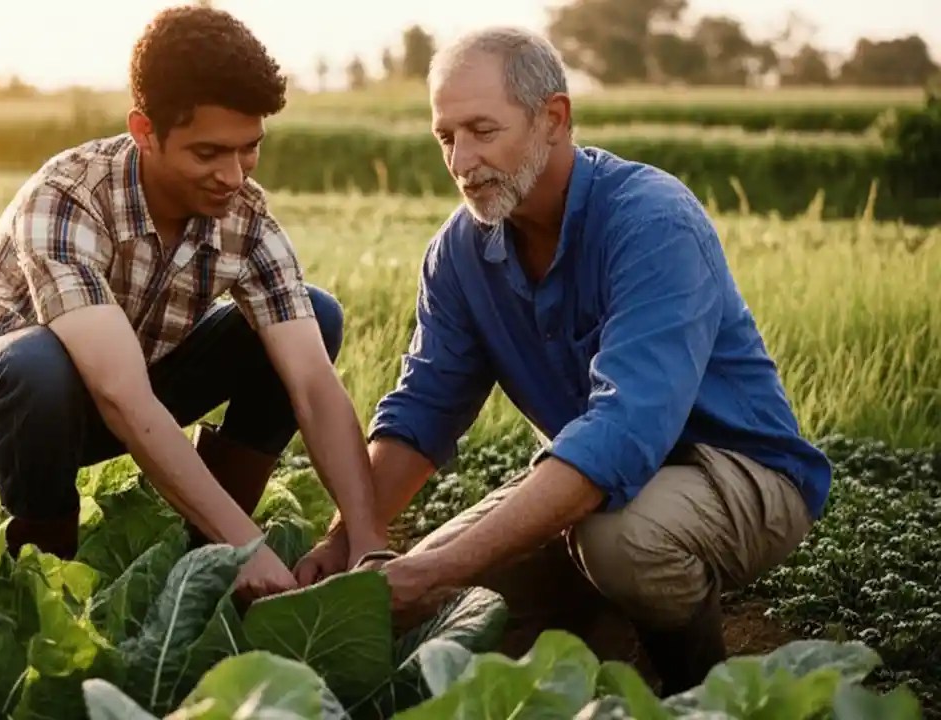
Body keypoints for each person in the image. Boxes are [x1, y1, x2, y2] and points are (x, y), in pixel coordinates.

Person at [292, 26, 832, 695]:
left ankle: (700, 693)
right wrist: (345, 541)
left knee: (620, 544)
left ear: (554, 117)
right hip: (585, 491)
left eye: (483, 131)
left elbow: (621, 432)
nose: (462, 161)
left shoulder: (650, 220)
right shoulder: (461, 254)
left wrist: (436, 567)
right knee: (417, 610)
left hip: (737, 470)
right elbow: (422, 412)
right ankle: (605, 630)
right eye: (446, 137)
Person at [0, 5, 386, 600]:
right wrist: (249, 542)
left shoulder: (245, 216)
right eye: (208, 153)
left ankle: (208, 554)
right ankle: (45, 582)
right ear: (145, 132)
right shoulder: (68, 196)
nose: (233, 176)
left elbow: (313, 383)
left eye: (248, 150)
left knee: (316, 314)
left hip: (111, 398)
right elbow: (118, 392)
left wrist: (368, 540)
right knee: (40, 362)